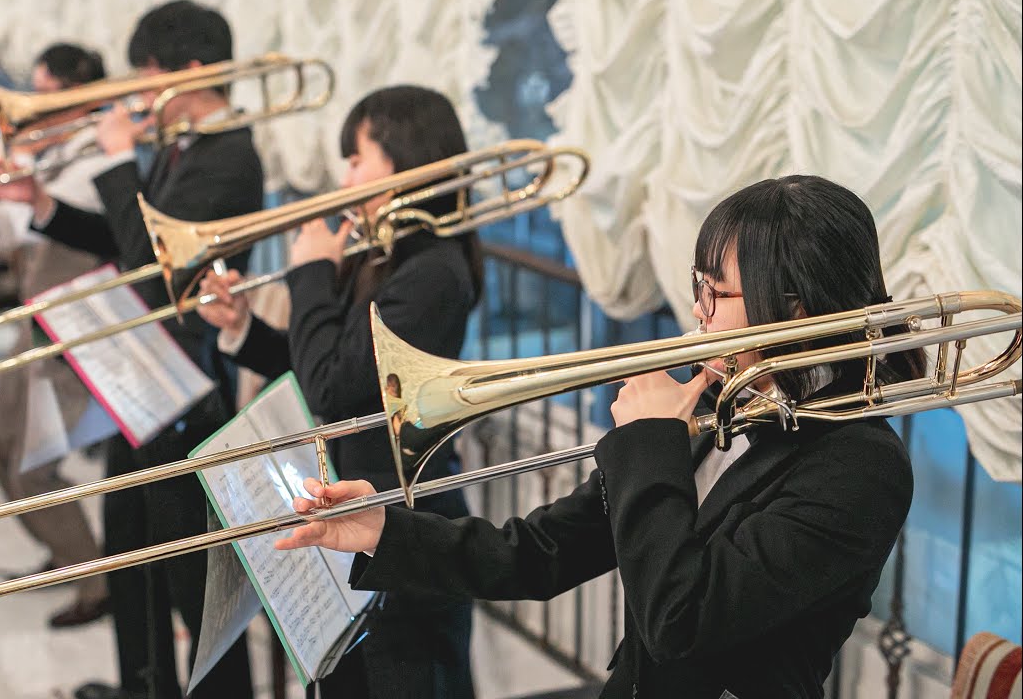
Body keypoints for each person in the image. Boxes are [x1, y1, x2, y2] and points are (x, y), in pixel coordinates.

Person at [277, 175, 926, 698]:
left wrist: (651, 445)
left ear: (795, 311)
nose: (696, 312)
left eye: (714, 292)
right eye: (696, 286)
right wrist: (383, 530)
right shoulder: (714, 406)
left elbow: (683, 619)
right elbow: (540, 552)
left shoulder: (861, 466)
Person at [0, 0, 262, 699]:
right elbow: (122, 239)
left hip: (188, 391)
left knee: (194, 589)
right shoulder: (181, 146)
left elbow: (153, 270)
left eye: (148, 75)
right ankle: (143, 684)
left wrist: (116, 161)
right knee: (133, 560)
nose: (136, 92)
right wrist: (42, 204)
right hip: (139, 384)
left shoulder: (229, 157)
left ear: (193, 72)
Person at [197, 85, 482, 699]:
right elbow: (324, 362)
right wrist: (244, 326)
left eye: (357, 157)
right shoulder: (386, 255)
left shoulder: (432, 271)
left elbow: (333, 384)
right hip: (360, 511)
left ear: (404, 161)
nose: (345, 174)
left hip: (407, 524)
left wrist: (309, 274)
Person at [0, 43, 111, 630]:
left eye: (42, 95)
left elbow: (42, 219)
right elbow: (11, 236)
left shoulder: (95, 165)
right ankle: (65, 548)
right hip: (36, 322)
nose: (29, 110)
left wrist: (23, 178)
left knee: (30, 468)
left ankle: (93, 581)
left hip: (78, 337)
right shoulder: (57, 158)